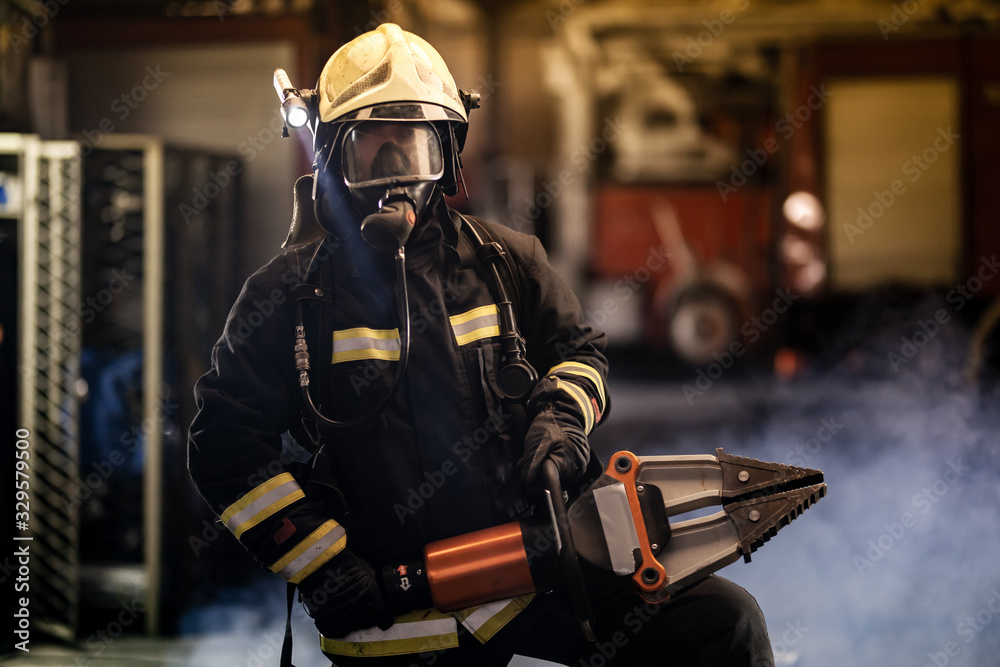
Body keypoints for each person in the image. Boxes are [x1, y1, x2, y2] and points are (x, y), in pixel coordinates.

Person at [187, 22, 774, 666]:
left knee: (722, 624)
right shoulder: (287, 296)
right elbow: (224, 447)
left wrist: (560, 422)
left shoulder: (507, 262)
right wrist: (324, 565)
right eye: (372, 149)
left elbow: (581, 355)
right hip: (391, 615)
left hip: (529, 574)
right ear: (331, 156)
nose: (395, 174)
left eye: (413, 148)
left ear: (448, 153)